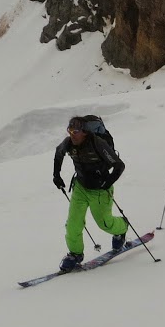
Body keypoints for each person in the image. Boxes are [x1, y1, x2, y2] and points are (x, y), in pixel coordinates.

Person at [52, 115, 129, 272]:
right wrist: (56, 175)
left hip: (100, 191)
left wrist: (106, 183)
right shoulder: (68, 143)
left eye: (76, 131)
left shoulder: (97, 143)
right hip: (80, 187)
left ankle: (122, 228)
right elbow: (58, 154)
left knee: (105, 224)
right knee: (73, 224)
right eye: (70, 131)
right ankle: (75, 254)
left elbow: (119, 166)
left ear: (85, 132)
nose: (72, 135)